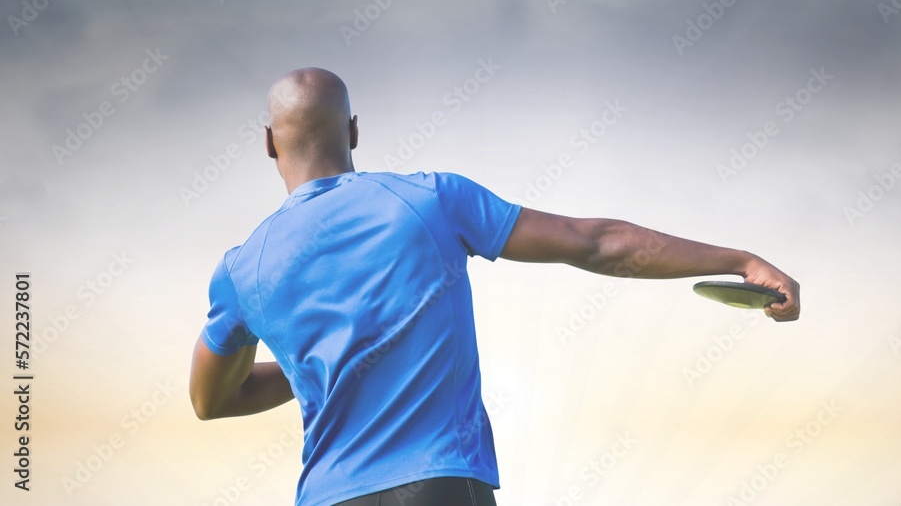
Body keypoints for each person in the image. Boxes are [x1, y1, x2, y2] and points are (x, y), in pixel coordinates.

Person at [188, 68, 800, 506]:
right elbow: (596, 243)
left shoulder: (242, 269)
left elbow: (212, 400)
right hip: (437, 487)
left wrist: (330, 364)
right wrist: (738, 258)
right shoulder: (429, 199)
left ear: (269, 142)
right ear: (353, 130)